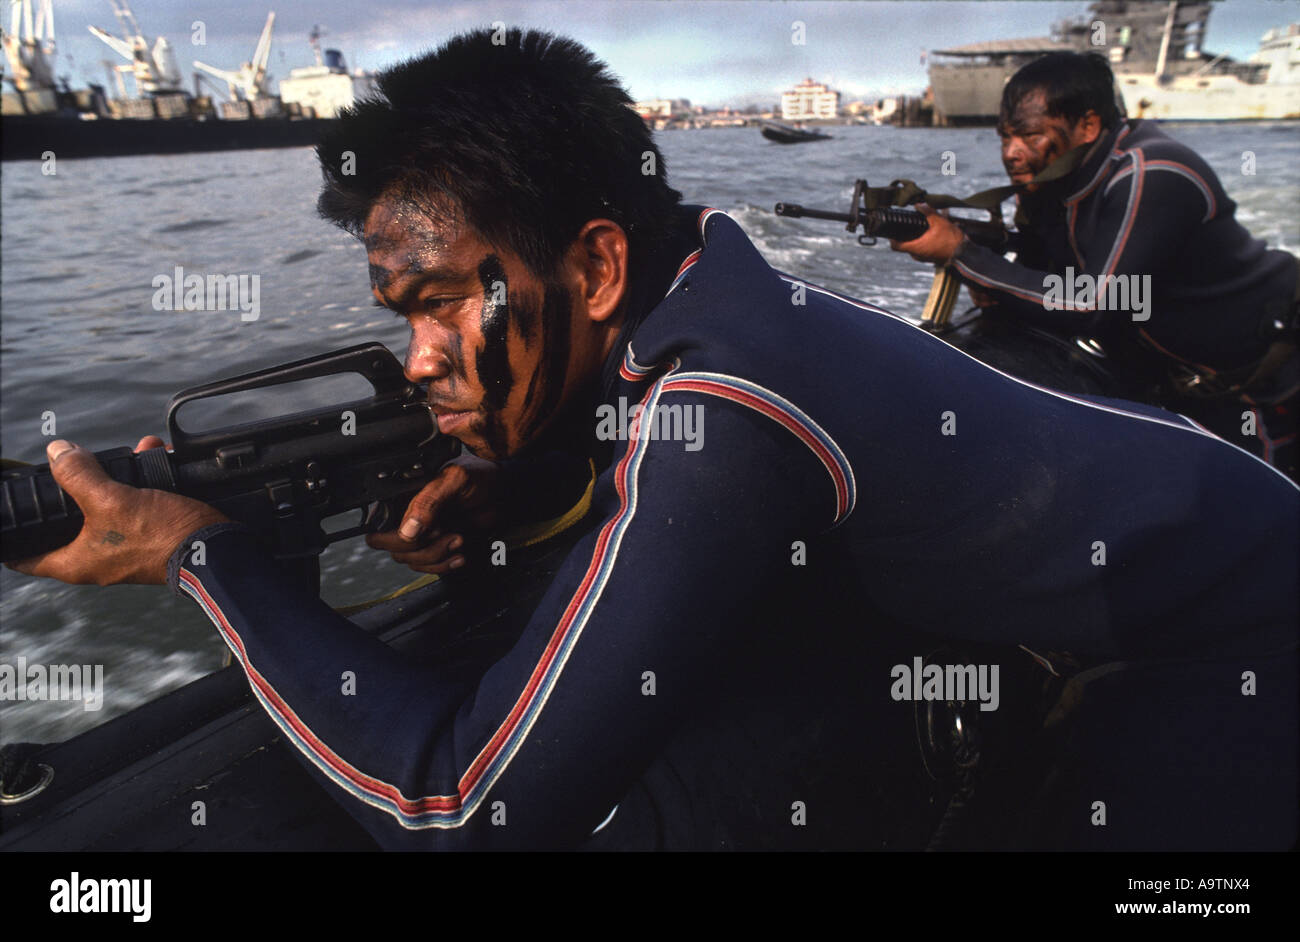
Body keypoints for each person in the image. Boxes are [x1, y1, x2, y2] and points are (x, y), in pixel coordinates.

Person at [10, 30, 1298, 850]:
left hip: (1235, 648)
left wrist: (193, 556)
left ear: (599, 259)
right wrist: (505, 493)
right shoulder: (716, 289)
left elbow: (459, 807)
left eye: (445, 301)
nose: (419, 359)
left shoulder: (723, 401)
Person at [891, 52, 1299, 480]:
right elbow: (1042, 270)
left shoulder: (1151, 171)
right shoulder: (1052, 182)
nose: (1011, 153)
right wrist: (983, 263)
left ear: (1087, 126)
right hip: (1171, 379)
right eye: (1004, 137)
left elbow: (1096, 302)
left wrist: (961, 252)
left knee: (1263, 517)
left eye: (1029, 135)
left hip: (1262, 383)